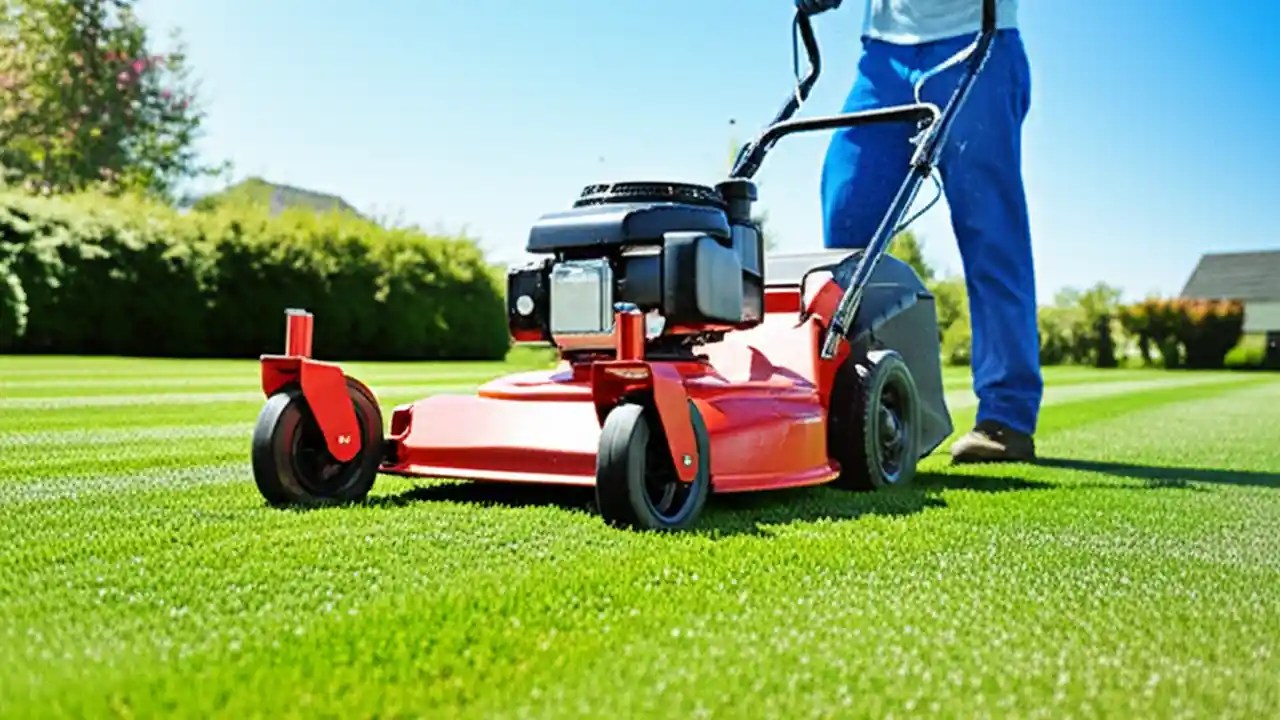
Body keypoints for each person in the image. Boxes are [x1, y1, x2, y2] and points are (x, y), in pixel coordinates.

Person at [796, 0, 1040, 463]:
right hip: (884, 54)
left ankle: (1006, 417)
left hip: (978, 37)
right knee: (847, 216)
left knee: (991, 235)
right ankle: (852, 405)